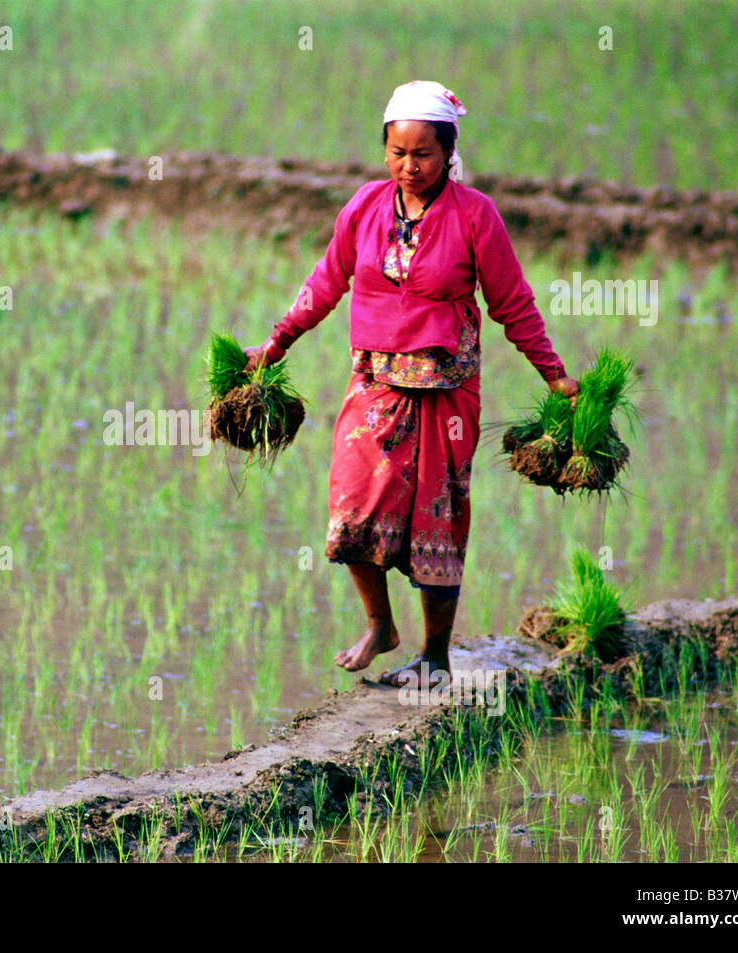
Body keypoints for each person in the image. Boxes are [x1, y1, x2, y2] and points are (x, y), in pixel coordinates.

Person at [244, 81, 579, 688]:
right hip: (374, 386)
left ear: (449, 152)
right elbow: (326, 282)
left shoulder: (475, 215)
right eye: (397, 152)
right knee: (351, 505)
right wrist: (276, 341)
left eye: (422, 154)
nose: (409, 166)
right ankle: (380, 626)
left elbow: (512, 303)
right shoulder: (366, 207)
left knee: (438, 517)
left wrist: (553, 375)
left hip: (447, 393)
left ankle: (436, 656)